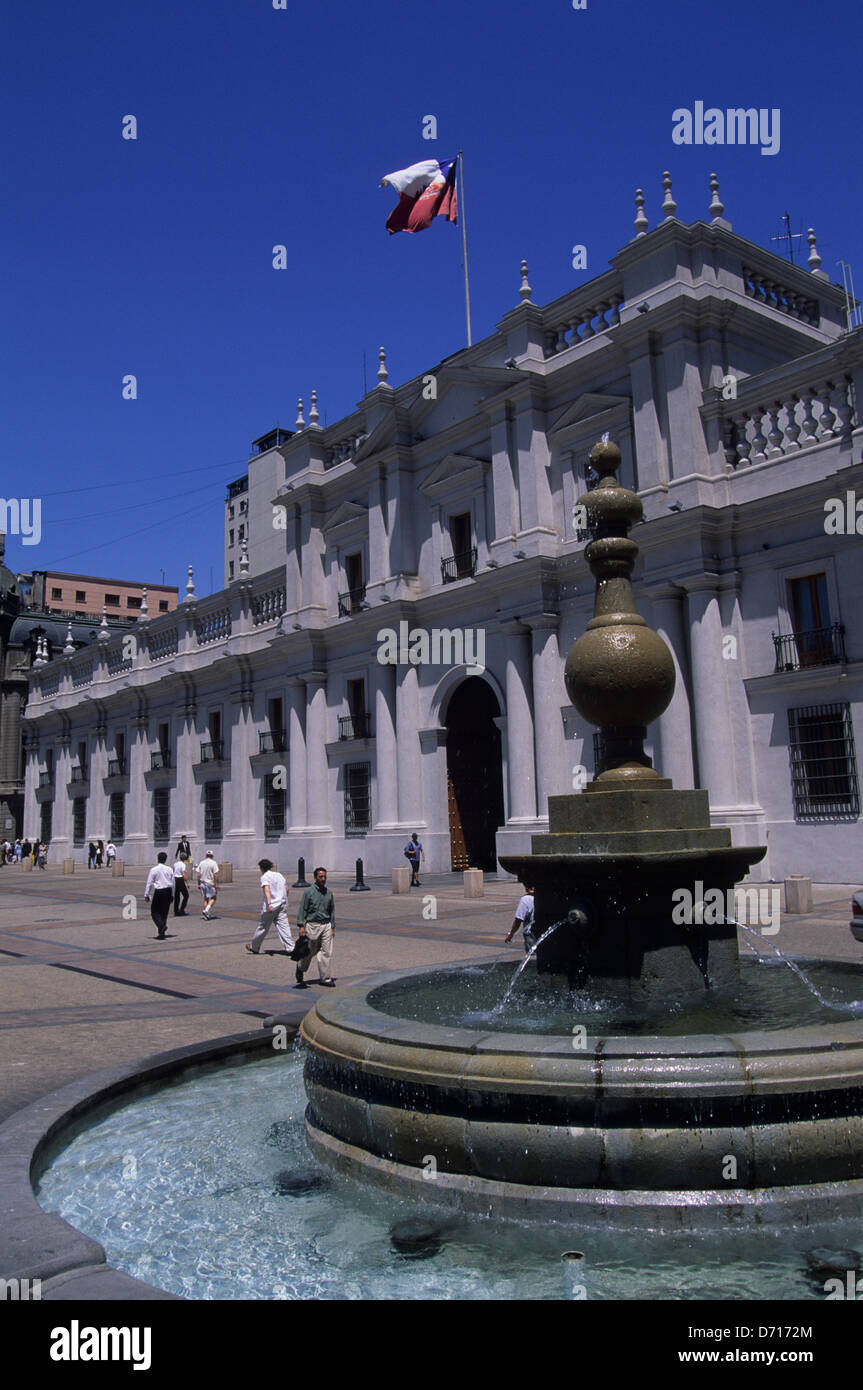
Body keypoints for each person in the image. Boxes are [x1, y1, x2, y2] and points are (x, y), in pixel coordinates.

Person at [295, 866, 336, 988]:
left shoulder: (329, 893)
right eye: (321, 877)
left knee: (326, 952)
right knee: (310, 951)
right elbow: (303, 909)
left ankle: (325, 978)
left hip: (326, 925)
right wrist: (301, 926)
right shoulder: (309, 892)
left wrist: (332, 926)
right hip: (312, 925)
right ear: (315, 878)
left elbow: (332, 910)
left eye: (325, 877)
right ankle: (300, 967)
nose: (323, 879)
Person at [246, 859, 294, 955]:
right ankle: (291, 948)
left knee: (263, 927)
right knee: (284, 927)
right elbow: (286, 888)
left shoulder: (265, 877)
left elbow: (267, 890)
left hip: (271, 906)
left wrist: (269, 904)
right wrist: (284, 899)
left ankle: (254, 947)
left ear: (261, 868)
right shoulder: (279, 875)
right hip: (282, 904)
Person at [144, 852, 175, 939]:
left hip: (159, 891)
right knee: (164, 912)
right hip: (168, 891)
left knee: (154, 912)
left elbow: (149, 883)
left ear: (158, 859)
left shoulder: (154, 869)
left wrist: (146, 894)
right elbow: (173, 883)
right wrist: (172, 895)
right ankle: (161, 933)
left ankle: (161, 926)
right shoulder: (169, 869)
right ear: (165, 859)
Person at [504, 885, 536, 953]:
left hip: (530, 934)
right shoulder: (545, 896)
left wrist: (511, 935)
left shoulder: (526, 899)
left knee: (531, 957)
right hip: (543, 932)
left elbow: (518, 920)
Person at [196, 851, 219, 919]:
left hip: (202, 882)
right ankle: (206, 910)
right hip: (210, 883)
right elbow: (215, 875)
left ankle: (206, 913)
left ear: (206, 855)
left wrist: (198, 884)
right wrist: (217, 884)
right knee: (213, 898)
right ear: (212, 856)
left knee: (205, 899)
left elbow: (198, 875)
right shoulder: (213, 863)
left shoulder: (201, 862)